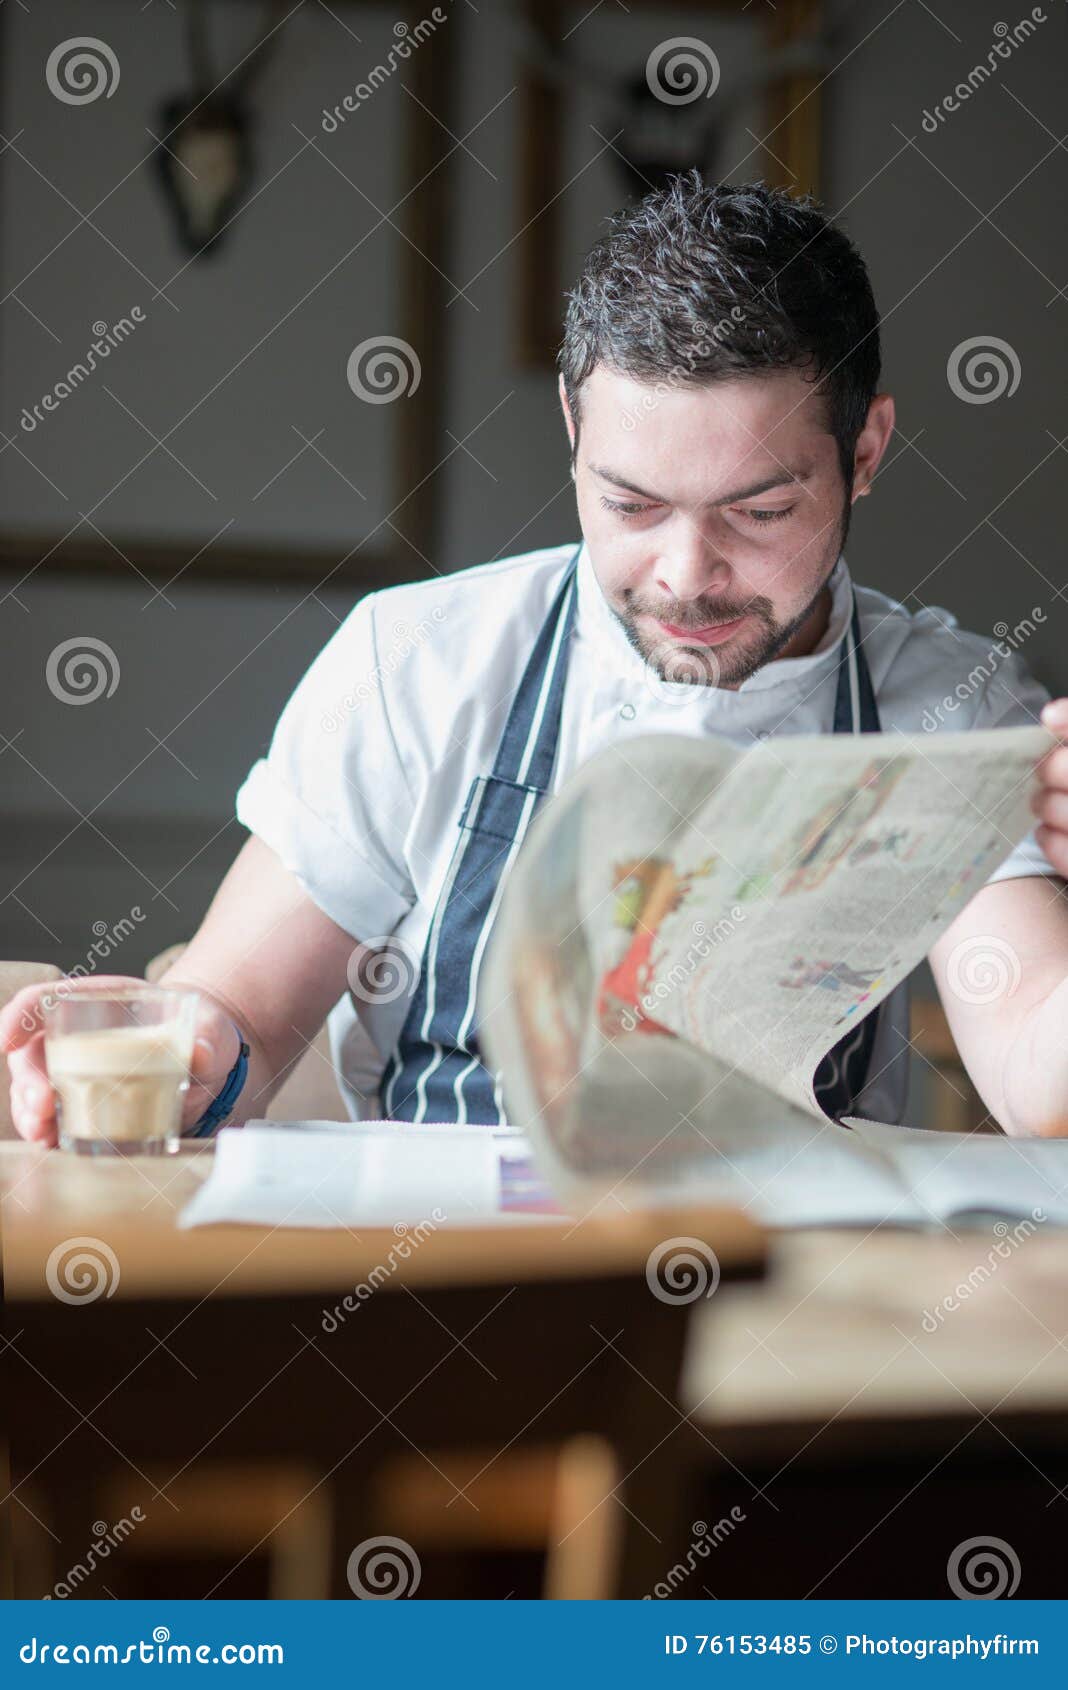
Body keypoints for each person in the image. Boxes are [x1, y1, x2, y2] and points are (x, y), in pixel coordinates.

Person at [5, 172, 1068, 1139]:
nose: (686, 574)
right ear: (572, 424)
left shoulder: (954, 707)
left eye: (760, 508)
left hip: (783, 1309)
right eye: (632, 504)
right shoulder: (416, 661)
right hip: (439, 1296)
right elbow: (242, 1010)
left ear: (866, 450)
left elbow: (1036, 1072)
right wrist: (184, 1048)